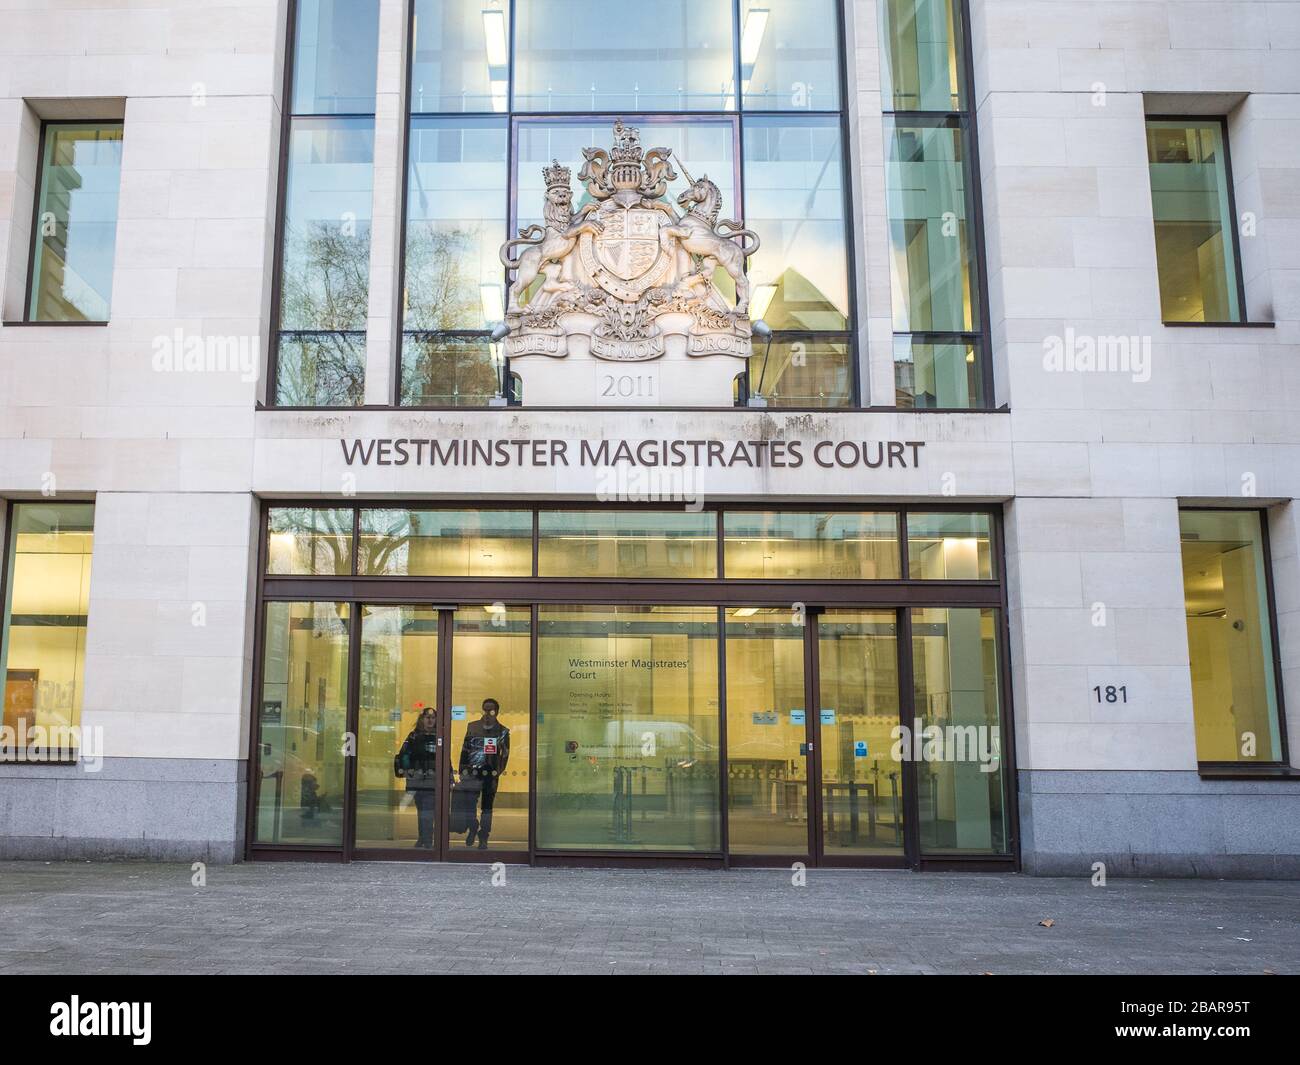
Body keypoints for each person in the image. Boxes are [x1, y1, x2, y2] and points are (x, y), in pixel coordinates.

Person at [458, 698, 510, 850]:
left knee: (487, 807)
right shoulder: (473, 727)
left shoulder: (502, 731)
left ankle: (483, 836)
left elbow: (505, 755)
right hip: (472, 772)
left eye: (491, 710)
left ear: (497, 712)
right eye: (485, 709)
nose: (487, 713)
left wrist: (497, 772)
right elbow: (465, 749)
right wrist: (462, 769)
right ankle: (473, 826)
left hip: (490, 773)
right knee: (470, 804)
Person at [395, 708, 439, 849]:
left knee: (427, 810)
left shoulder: (439, 736)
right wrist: (408, 771)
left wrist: (449, 778)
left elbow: (445, 759)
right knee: (422, 810)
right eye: (427, 717)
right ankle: (422, 838)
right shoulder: (413, 736)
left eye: (433, 717)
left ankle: (427, 840)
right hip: (416, 780)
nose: (430, 720)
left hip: (432, 780)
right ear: (421, 719)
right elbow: (403, 754)